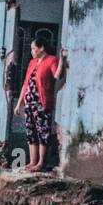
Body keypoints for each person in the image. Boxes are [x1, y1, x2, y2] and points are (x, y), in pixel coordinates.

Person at [13, 37, 68, 172]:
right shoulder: (32, 62)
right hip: (29, 103)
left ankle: (41, 163)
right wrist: (19, 102)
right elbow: (26, 84)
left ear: (41, 48)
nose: (32, 51)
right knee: (31, 132)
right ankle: (32, 162)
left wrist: (62, 59)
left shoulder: (51, 60)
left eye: (33, 48)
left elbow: (57, 75)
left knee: (42, 132)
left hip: (42, 103)